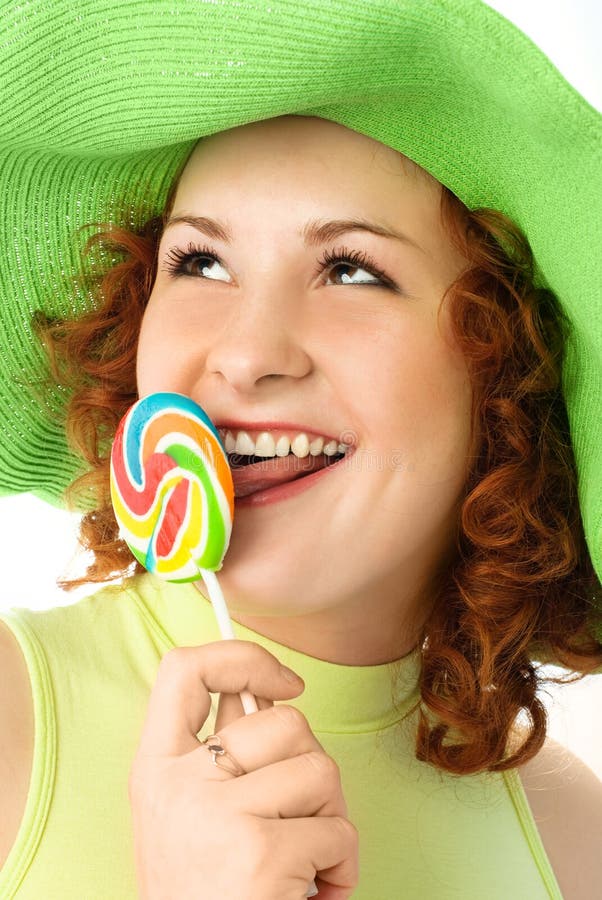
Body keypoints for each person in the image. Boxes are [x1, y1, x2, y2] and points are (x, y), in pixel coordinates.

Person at [0, 2, 601, 898]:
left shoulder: (572, 836)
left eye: (353, 270)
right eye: (198, 260)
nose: (244, 354)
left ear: (506, 371)